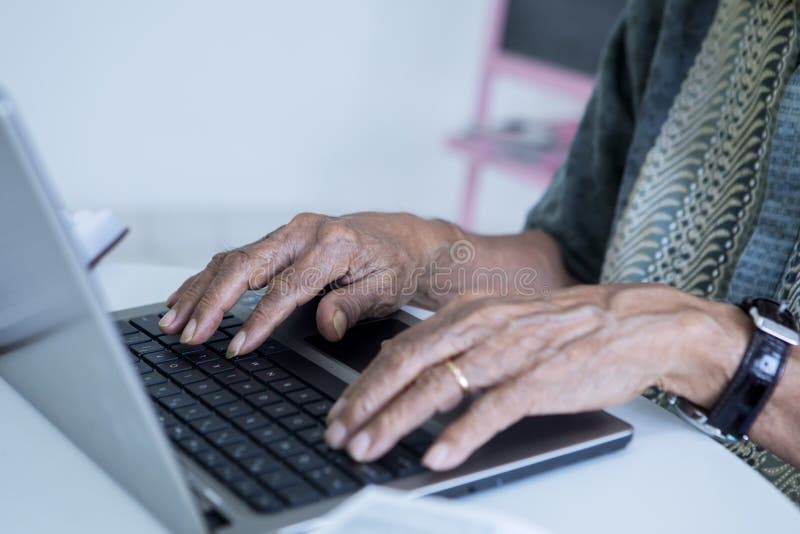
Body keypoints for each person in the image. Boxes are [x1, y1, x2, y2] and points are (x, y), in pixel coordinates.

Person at [159, 0, 800, 503]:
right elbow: (577, 260)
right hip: (598, 473)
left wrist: (710, 348)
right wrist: (426, 252)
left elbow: (652, 327)